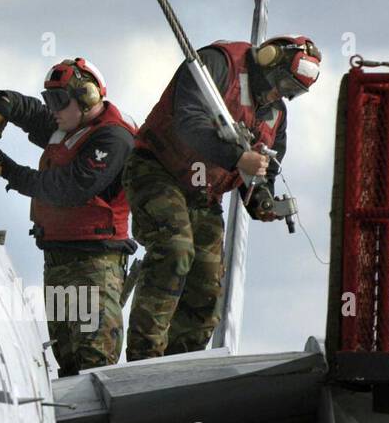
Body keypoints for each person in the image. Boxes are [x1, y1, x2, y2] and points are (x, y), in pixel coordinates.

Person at [125, 36, 321, 359]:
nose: (280, 94)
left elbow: (263, 175)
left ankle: (178, 365)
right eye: (282, 83)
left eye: (292, 92)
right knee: (175, 250)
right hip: (157, 170)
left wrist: (262, 200)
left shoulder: (275, 116)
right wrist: (236, 157)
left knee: (207, 288)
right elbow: (189, 122)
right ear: (269, 60)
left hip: (204, 195)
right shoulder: (217, 65)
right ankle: (143, 359)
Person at [0, 58, 137, 375]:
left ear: (88, 96)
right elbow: (35, 115)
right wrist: (8, 103)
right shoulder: (69, 126)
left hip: (95, 265)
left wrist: (14, 174)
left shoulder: (113, 139)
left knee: (94, 363)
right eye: (50, 99)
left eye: (59, 101)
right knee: (68, 359)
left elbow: (71, 188)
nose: (53, 109)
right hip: (59, 260)